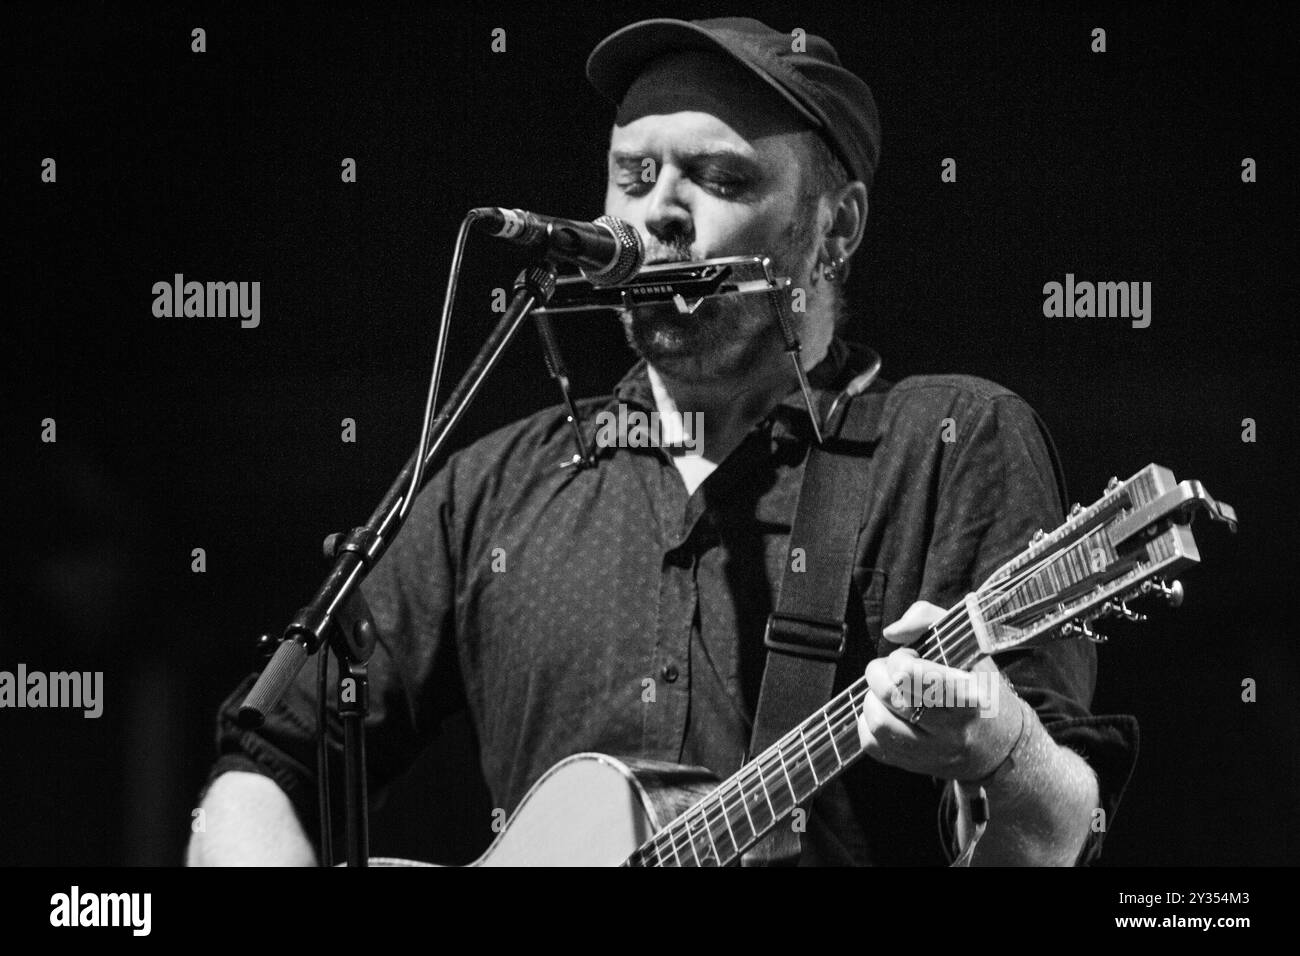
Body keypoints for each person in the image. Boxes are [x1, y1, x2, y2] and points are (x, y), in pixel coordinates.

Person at [188, 17, 1137, 867]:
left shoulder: (951, 440)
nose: (659, 212)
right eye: (634, 175)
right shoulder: (498, 487)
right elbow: (266, 764)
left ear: (835, 228)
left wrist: (1004, 748)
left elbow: (1061, 836)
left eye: (722, 179)